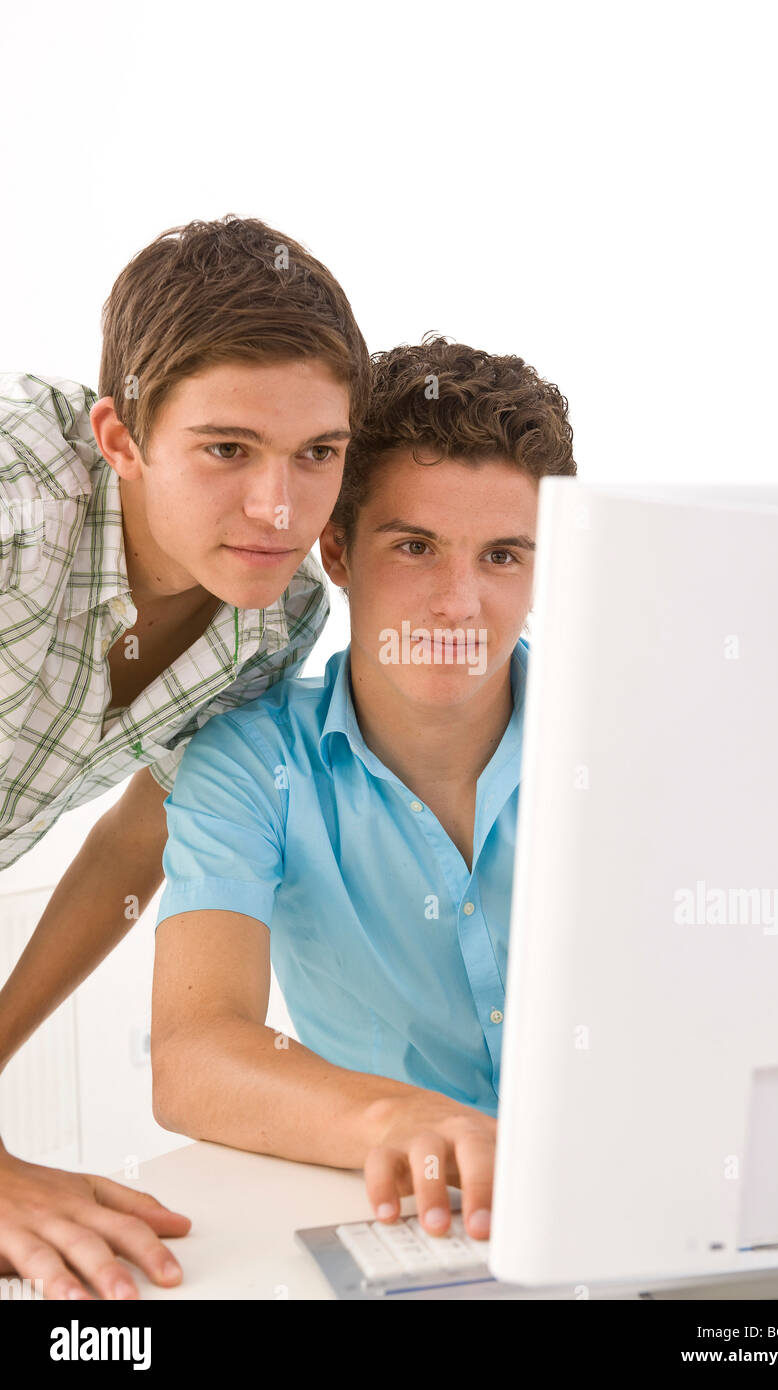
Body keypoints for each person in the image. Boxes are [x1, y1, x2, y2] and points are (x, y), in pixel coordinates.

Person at [0, 214, 369, 1300]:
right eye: (226, 449)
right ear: (120, 438)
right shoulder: (17, 502)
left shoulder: (277, 616)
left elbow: (137, 839)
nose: (279, 509)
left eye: (318, 453)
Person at [151, 338, 575, 1246]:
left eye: (503, 556)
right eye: (416, 547)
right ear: (337, 551)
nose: (458, 603)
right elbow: (192, 1055)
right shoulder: (251, 761)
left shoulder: (620, 737)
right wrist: (397, 1120)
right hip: (410, 1223)